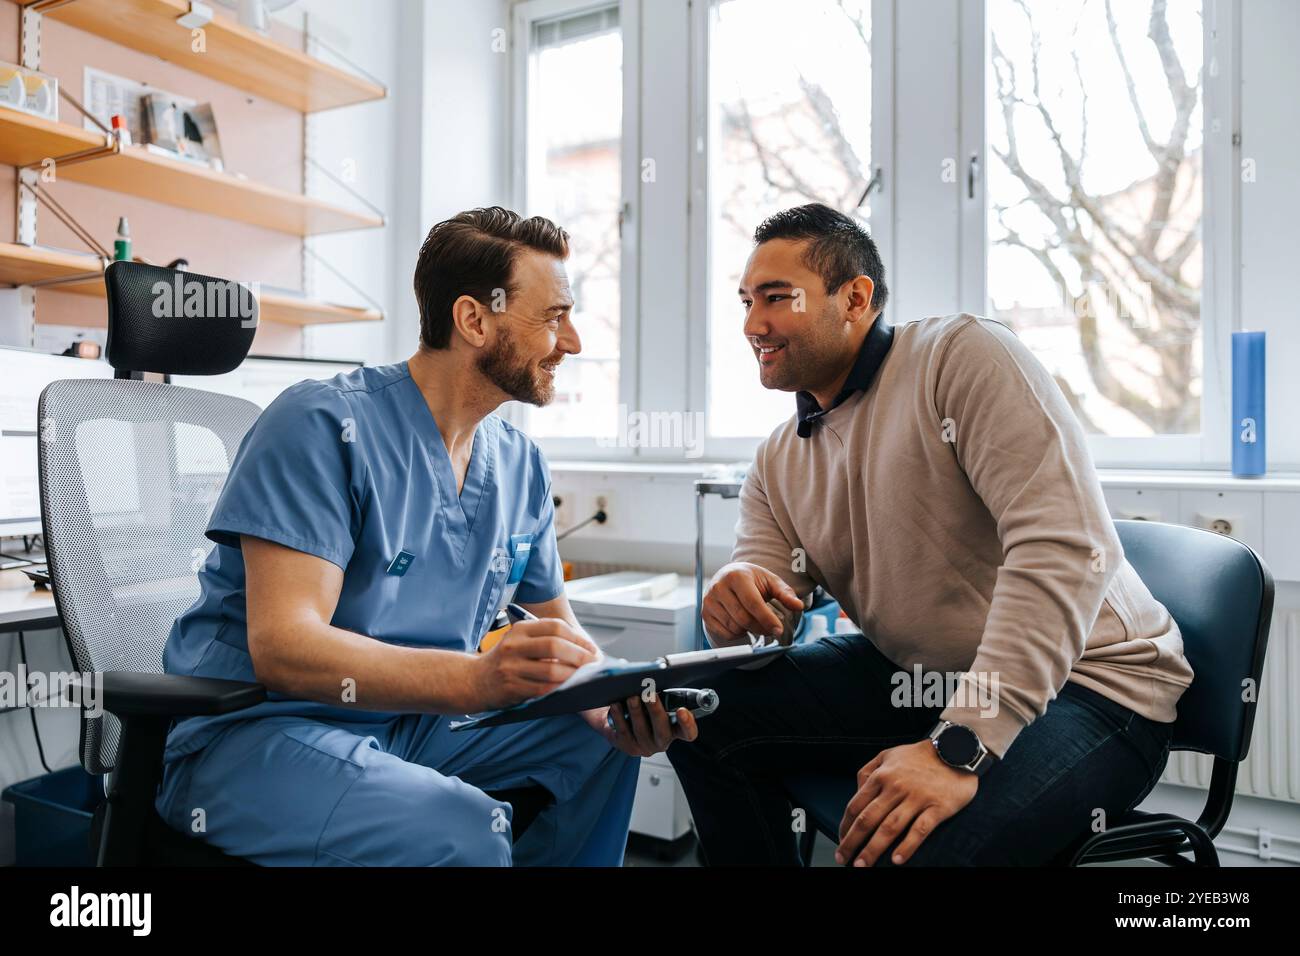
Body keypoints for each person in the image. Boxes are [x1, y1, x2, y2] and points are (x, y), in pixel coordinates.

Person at [157, 206, 697, 866]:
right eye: (553, 317)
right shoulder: (321, 424)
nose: (574, 341)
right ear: (474, 320)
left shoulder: (518, 465)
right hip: (264, 733)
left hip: (417, 725)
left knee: (597, 742)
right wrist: (477, 680)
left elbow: (562, 633)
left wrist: (617, 692)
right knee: (463, 829)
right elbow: (285, 648)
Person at [667, 203, 1193, 866]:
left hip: (1091, 684)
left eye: (777, 298)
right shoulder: (777, 460)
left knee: (915, 850)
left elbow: (1063, 546)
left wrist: (960, 745)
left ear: (855, 298)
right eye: (746, 301)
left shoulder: (961, 357)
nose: (752, 324)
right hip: (919, 678)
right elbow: (764, 629)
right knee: (701, 712)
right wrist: (732, 599)